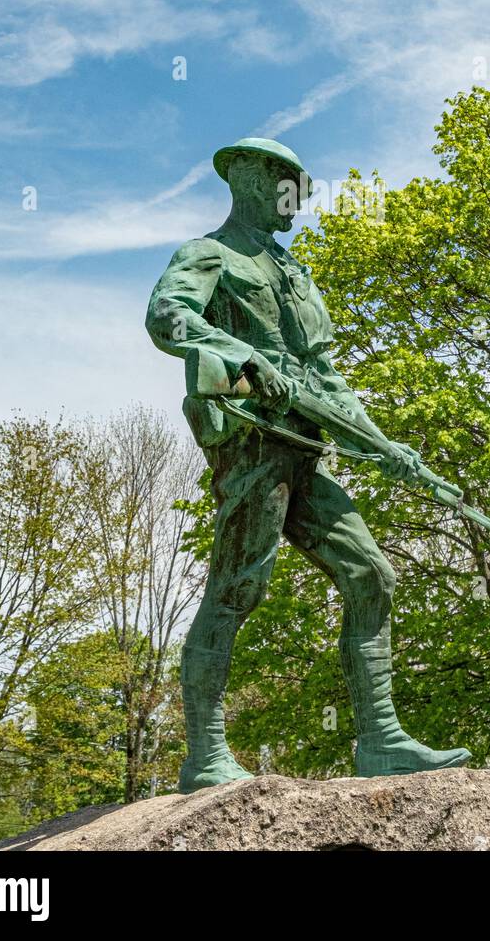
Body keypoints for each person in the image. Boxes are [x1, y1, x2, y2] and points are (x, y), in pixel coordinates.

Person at [146, 136, 470, 791]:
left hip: (302, 451)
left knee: (370, 574)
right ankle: (205, 755)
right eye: (292, 186)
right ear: (252, 179)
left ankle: (381, 740)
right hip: (252, 445)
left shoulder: (294, 274)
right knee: (240, 586)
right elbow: (166, 317)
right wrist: (240, 354)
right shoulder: (209, 255)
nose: (301, 202)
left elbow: (324, 378)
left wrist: (387, 448)